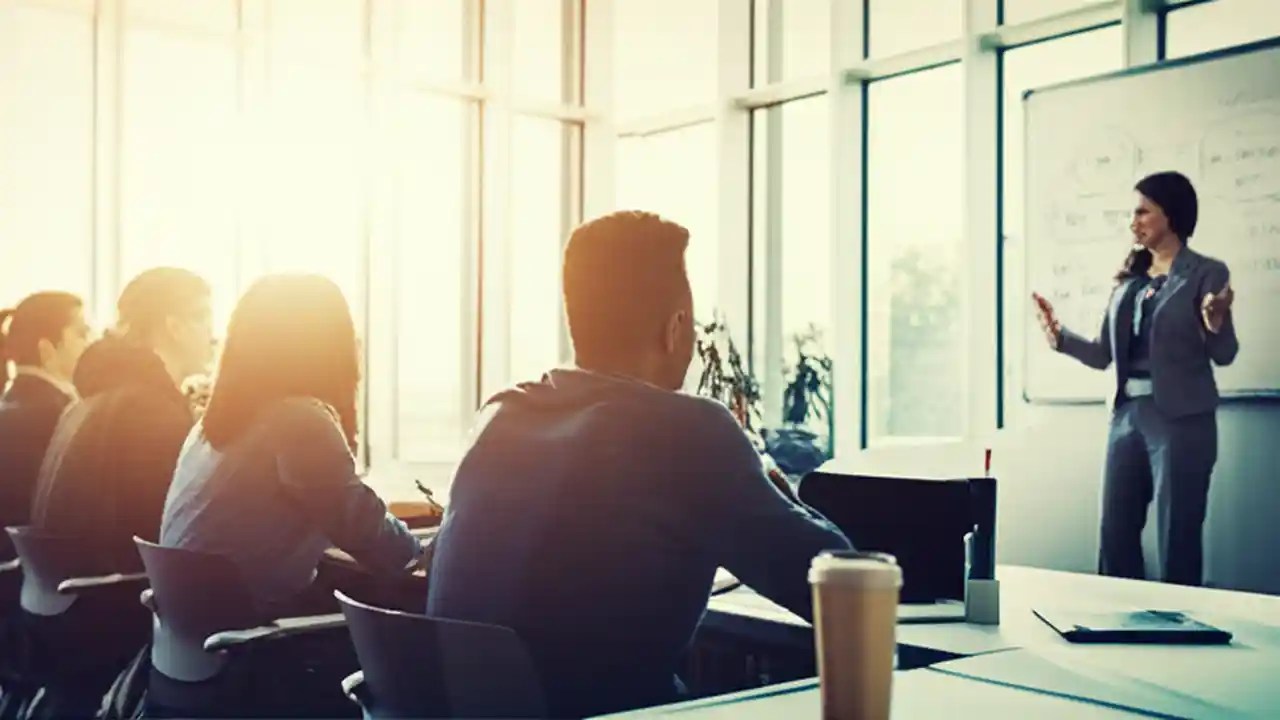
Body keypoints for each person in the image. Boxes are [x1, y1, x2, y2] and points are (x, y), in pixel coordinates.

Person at [426, 211, 852, 717]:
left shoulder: (503, 415)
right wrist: (775, 488)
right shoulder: (689, 431)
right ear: (675, 329)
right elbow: (847, 593)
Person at [160, 274, 422, 617]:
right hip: (251, 638)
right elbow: (366, 532)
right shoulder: (298, 419)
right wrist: (428, 555)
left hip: (192, 642)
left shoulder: (216, 424)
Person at [1032, 171, 1237, 587]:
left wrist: (1215, 322)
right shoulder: (1129, 282)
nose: (1134, 221)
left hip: (1182, 421)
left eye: (1143, 211)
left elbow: (1225, 353)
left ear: (1171, 214)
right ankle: (1116, 630)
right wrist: (1060, 338)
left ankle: (1180, 633)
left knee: (1176, 536)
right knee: (1115, 535)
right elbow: (1103, 355)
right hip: (1125, 418)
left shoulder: (1206, 274)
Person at [31, 268, 213, 572]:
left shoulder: (90, 402)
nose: (214, 334)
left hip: (74, 599)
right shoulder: (150, 414)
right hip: (121, 602)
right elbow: (175, 532)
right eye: (205, 317)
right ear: (175, 327)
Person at [0, 292, 90, 557]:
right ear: (47, 349)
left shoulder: (13, 406)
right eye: (82, 334)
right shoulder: (60, 416)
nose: (92, 345)